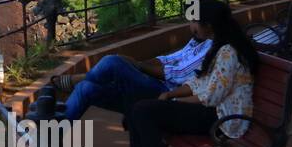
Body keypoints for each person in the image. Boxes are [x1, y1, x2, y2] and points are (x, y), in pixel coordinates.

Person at [112, 0, 257, 147]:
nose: (192, 26)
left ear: (208, 25)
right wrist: (170, 94)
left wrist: (173, 102)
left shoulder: (227, 52)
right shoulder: (220, 46)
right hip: (211, 111)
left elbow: (211, 97)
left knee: (144, 110)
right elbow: (199, 82)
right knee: (138, 101)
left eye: (195, 22)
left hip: (222, 120)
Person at [55, 35, 212, 122]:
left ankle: (81, 78)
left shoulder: (210, 49)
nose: (191, 25)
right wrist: (134, 64)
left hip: (167, 92)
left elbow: (177, 75)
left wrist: (137, 66)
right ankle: (51, 143)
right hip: (156, 85)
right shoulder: (196, 42)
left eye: (194, 21)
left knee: (112, 62)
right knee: (85, 88)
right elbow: (167, 59)